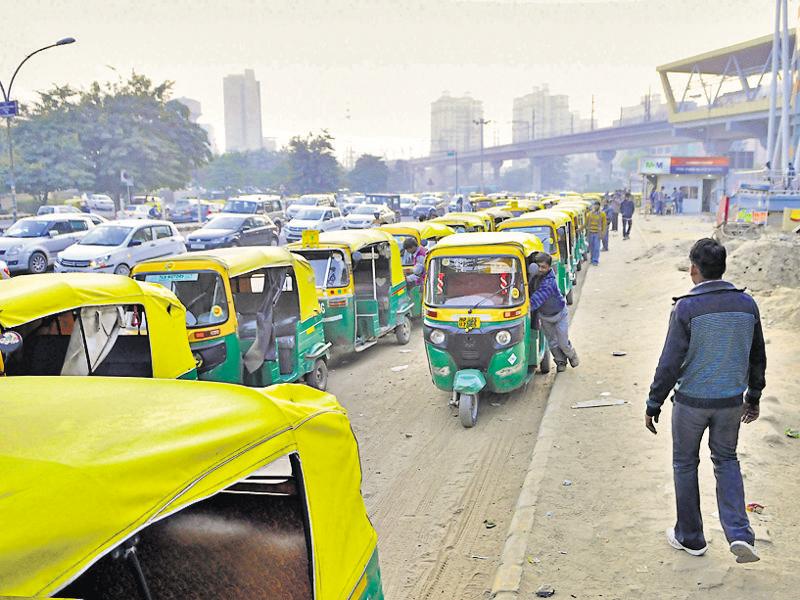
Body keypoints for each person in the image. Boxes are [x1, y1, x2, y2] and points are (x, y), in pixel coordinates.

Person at [645, 238, 766, 565]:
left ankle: (692, 538)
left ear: (694, 269)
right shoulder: (747, 304)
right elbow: (758, 357)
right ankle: (740, 534)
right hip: (730, 403)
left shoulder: (686, 307)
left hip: (691, 404)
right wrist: (753, 397)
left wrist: (653, 403)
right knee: (726, 461)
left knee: (685, 464)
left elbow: (670, 362)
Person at [528, 252, 579, 373]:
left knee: (562, 341)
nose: (540, 269)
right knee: (552, 342)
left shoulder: (549, 282)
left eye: (543, 267)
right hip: (545, 317)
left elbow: (538, 298)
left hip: (560, 314)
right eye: (538, 266)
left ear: (549, 268)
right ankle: (560, 362)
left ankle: (572, 355)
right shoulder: (533, 277)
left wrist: (524, 308)